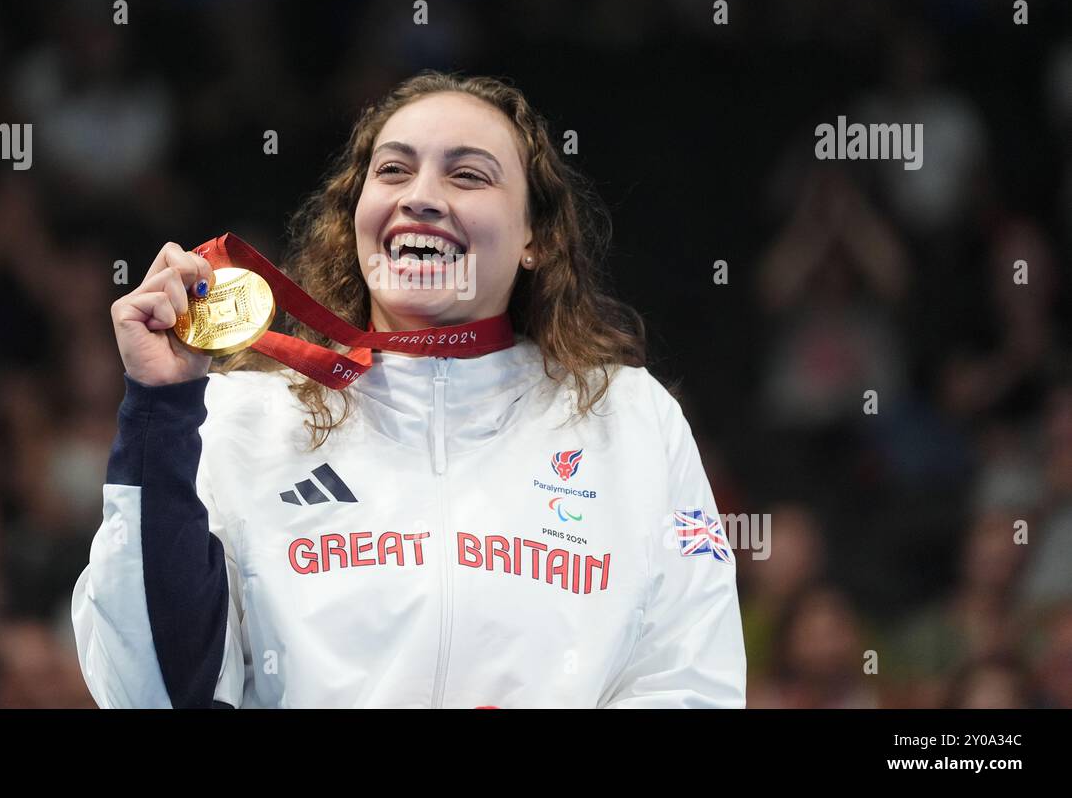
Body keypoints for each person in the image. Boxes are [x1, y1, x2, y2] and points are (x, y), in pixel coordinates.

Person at [71, 70, 746, 708]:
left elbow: (688, 679)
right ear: (356, 213)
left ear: (535, 237)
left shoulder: (628, 419)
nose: (420, 195)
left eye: (468, 175)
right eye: (393, 170)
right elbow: (156, 690)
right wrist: (160, 410)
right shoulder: (241, 419)